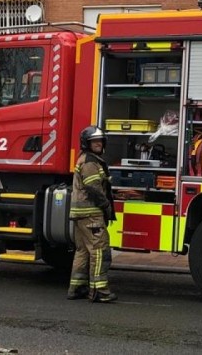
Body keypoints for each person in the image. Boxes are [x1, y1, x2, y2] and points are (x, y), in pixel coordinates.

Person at [68, 125, 116, 303]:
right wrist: (106, 205)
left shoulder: (88, 159)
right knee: (99, 250)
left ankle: (77, 287)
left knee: (82, 251)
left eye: (100, 141)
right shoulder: (89, 162)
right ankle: (99, 291)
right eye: (94, 141)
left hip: (82, 215)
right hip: (91, 214)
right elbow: (93, 187)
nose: (98, 143)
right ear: (86, 143)